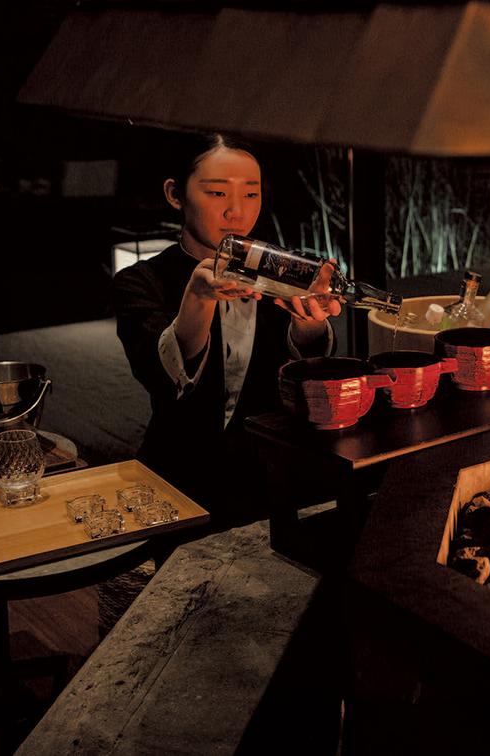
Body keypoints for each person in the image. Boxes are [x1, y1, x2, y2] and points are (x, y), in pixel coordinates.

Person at [113, 133, 341, 524]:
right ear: (175, 194)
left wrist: (308, 323)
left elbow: (307, 366)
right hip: (180, 477)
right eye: (218, 193)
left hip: (270, 474)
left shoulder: (276, 270)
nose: (237, 211)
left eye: (251, 194)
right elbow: (163, 376)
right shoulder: (140, 281)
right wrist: (198, 298)